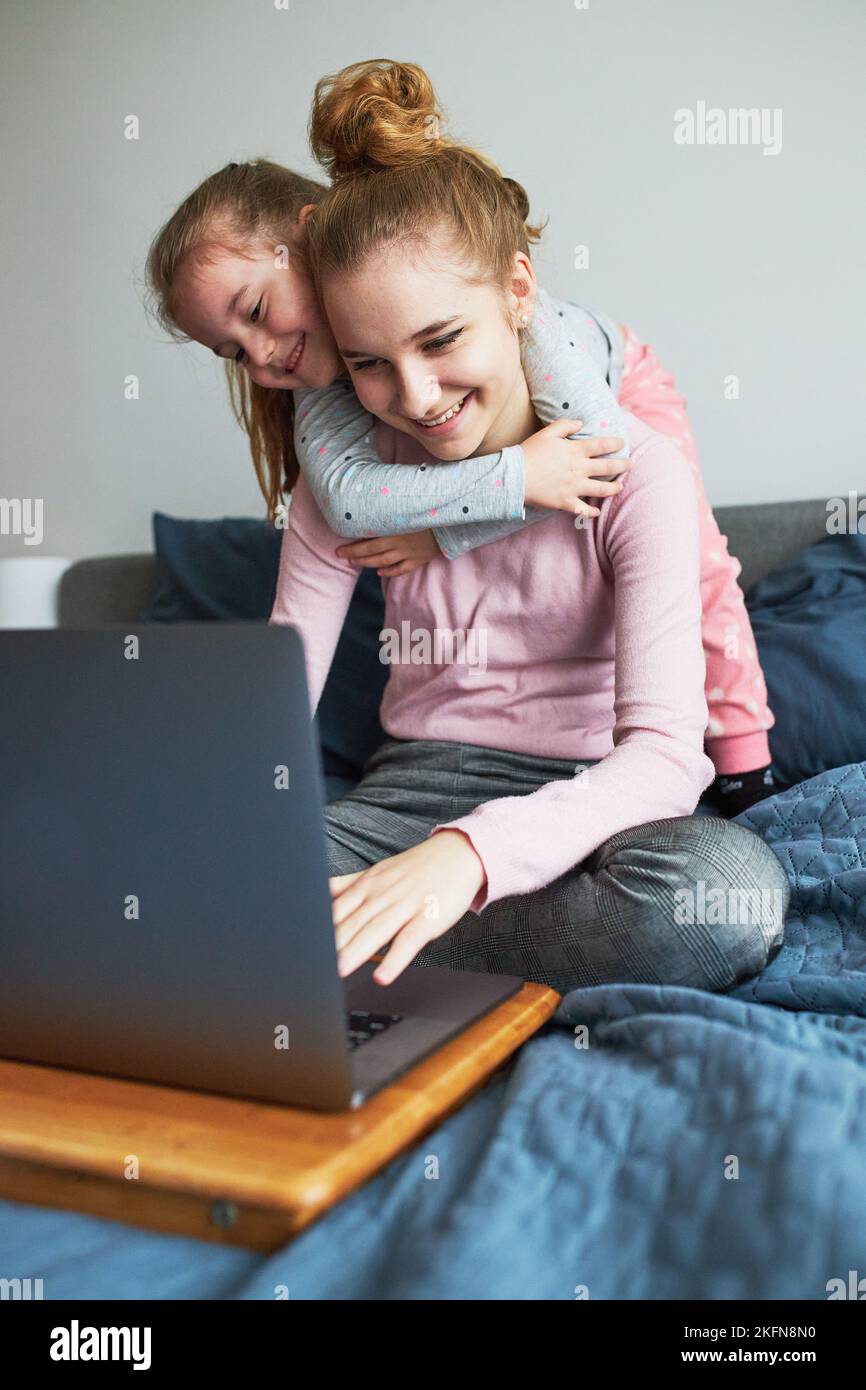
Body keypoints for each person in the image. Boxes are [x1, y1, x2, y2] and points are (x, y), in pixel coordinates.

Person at [252, 59, 786, 992]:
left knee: (725, 900)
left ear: (519, 291)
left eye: (442, 339)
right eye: (371, 362)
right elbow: (265, 712)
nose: (414, 398)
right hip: (410, 790)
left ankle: (350, 939)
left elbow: (663, 760)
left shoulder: (635, 468)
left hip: (599, 802)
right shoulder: (344, 484)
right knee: (191, 870)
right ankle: (382, 930)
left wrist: (468, 861)